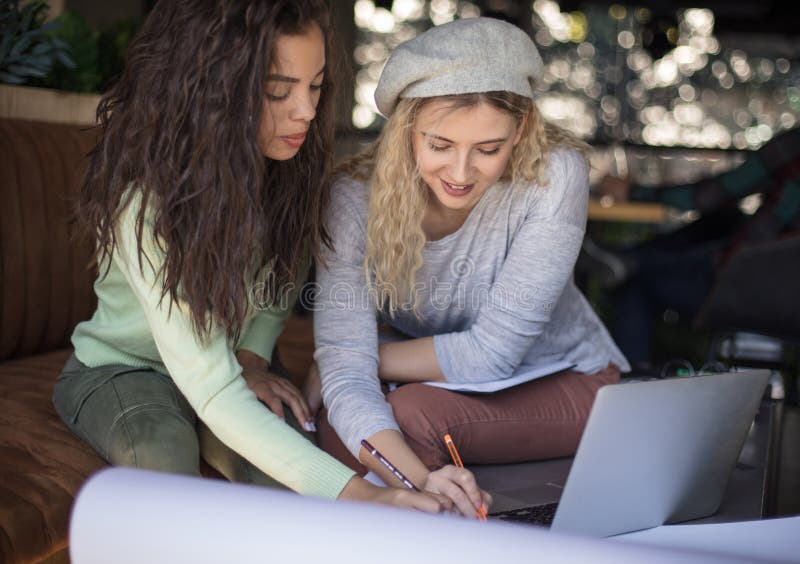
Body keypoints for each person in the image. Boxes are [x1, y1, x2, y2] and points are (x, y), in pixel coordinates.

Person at [52, 0, 464, 513]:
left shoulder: (288, 167)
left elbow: (275, 290)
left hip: (232, 362)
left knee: (283, 480)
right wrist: (363, 498)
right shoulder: (147, 204)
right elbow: (212, 388)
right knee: (163, 459)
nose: (307, 112)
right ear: (212, 91)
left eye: (315, 86)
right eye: (277, 91)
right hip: (127, 368)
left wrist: (250, 359)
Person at [310, 18, 629, 510]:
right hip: (431, 377)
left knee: (407, 415)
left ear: (520, 130)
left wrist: (350, 356)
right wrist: (417, 478)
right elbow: (348, 379)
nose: (460, 174)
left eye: (488, 150)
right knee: (345, 421)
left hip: (568, 375)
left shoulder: (554, 175)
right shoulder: (352, 199)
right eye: (439, 145)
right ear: (405, 132)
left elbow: (492, 354)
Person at [593, 127, 800, 366]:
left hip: (747, 290)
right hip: (783, 292)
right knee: (724, 220)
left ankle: (629, 386)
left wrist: (634, 191)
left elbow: (708, 195)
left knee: (635, 281)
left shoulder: (792, 148)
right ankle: (628, 259)